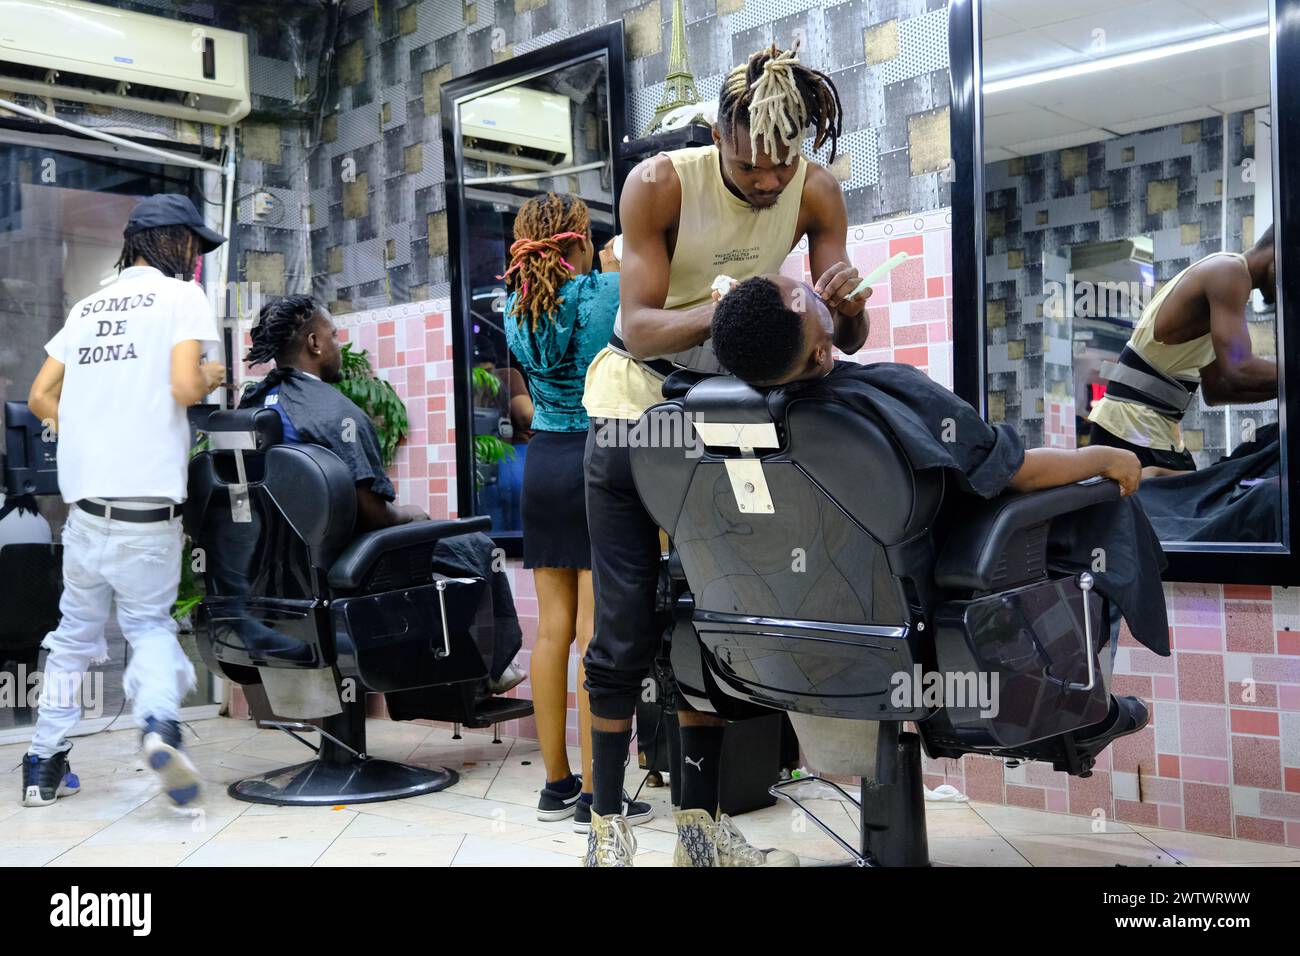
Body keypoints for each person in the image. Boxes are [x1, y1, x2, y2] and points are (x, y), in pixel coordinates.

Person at [580, 41, 869, 867]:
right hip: (636, 411)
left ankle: (700, 829)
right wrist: (733, 310)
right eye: (750, 163)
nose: (770, 181)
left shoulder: (815, 191)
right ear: (718, 131)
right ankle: (606, 826)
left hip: (728, 413)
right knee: (627, 628)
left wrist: (843, 308)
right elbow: (636, 325)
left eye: (785, 162)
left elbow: (843, 338)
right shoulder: (661, 184)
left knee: (721, 612)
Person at [707, 273, 1160, 768]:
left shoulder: (725, 419)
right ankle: (1081, 707)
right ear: (820, 355)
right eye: (806, 296)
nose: (815, 290)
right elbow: (1018, 474)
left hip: (808, 623)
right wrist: (1103, 458)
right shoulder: (885, 393)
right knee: (1103, 510)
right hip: (920, 612)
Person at [22, 194, 227, 808]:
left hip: (85, 514)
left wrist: (88, 428)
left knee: (73, 637)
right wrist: (213, 376)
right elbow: (186, 385)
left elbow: (38, 395)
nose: (193, 259)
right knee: (149, 626)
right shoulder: (181, 298)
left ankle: (42, 766)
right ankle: (160, 727)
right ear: (174, 242)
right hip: (147, 514)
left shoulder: (87, 307)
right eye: (192, 246)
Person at [239, 295, 525, 691]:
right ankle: (492, 670)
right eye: (333, 337)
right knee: (474, 544)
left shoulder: (253, 405)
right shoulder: (333, 412)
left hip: (272, 572)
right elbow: (373, 514)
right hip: (343, 563)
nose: (339, 346)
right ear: (314, 344)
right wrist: (408, 514)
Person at [499, 193, 648, 831]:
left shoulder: (515, 306)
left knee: (552, 631)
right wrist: (615, 268)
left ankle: (555, 785)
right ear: (579, 241)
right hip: (594, 460)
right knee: (594, 636)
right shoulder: (602, 293)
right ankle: (597, 791)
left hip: (543, 466)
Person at [1088, 228, 1278, 472]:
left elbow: (1218, 390)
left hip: (1155, 432)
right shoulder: (1229, 271)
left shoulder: (1226, 290)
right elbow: (1239, 369)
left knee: (1196, 502)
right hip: (1127, 429)